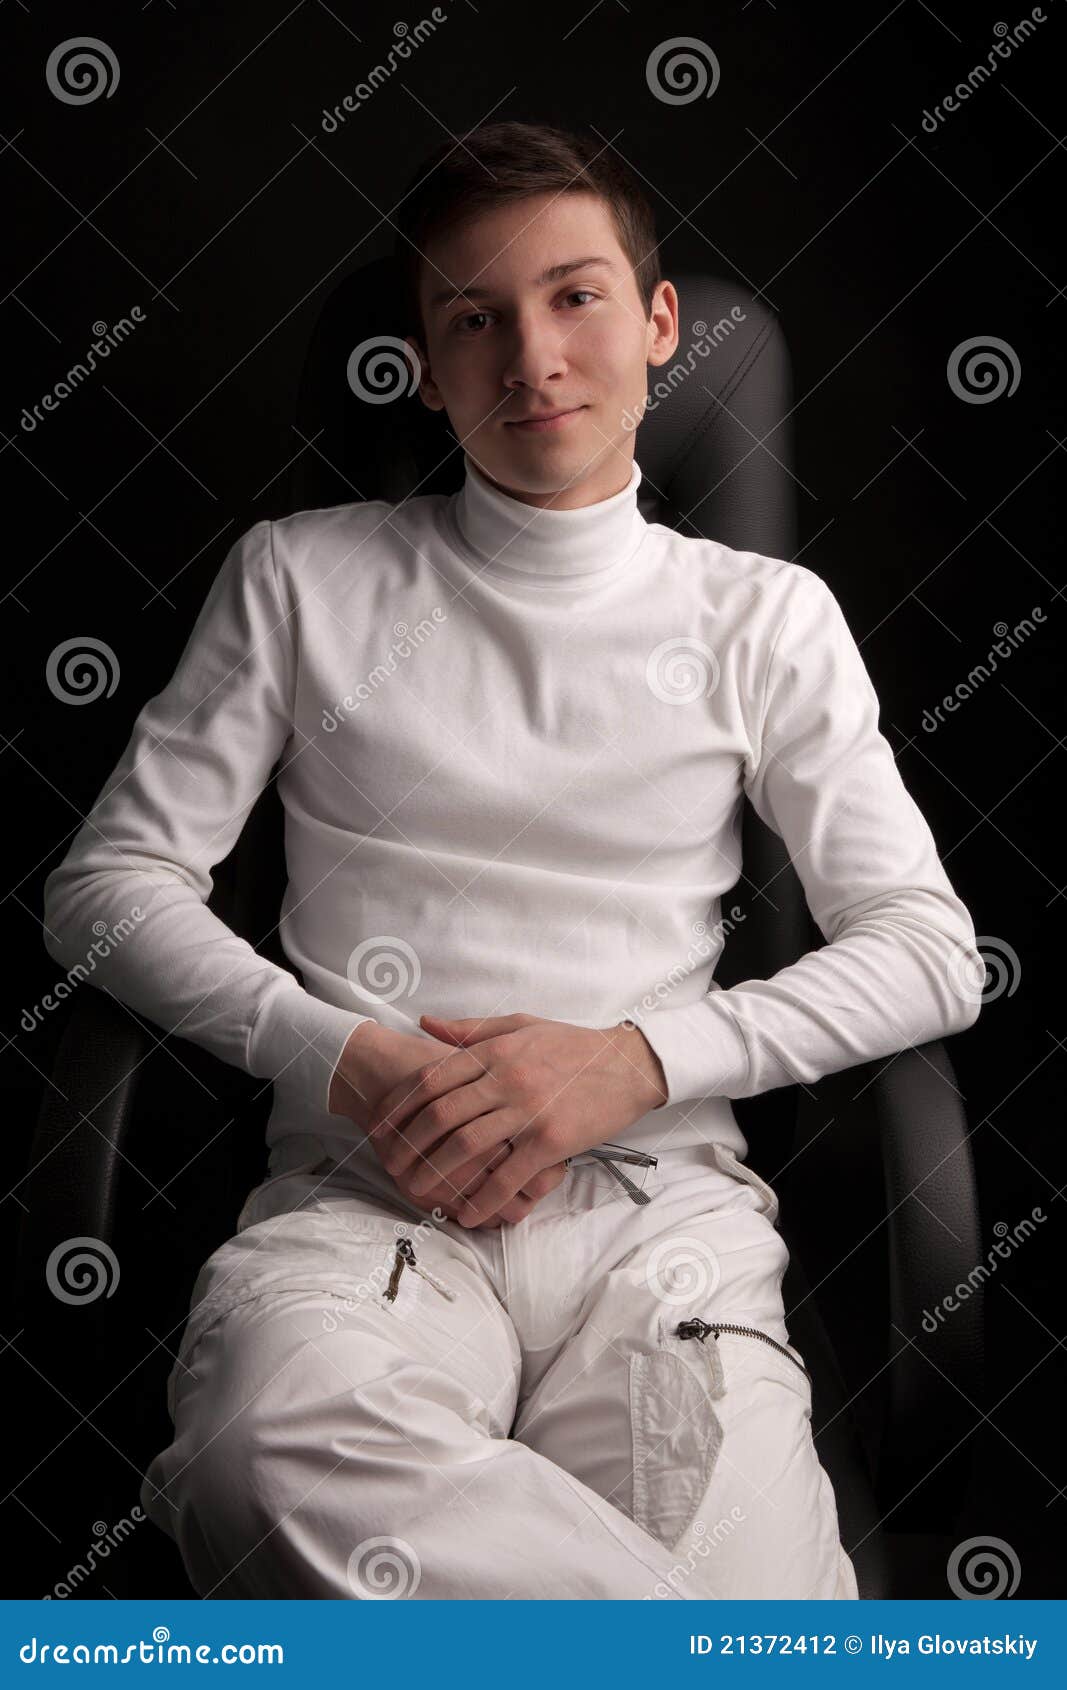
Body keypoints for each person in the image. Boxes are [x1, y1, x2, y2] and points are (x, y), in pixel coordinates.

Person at [42, 120, 983, 1600]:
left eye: (575, 296)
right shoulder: (301, 576)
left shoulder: (764, 617)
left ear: (661, 323)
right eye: (472, 318)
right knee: (256, 1464)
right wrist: (347, 1054)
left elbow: (930, 951)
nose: (530, 355)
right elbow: (103, 893)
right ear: (421, 362)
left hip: (651, 1220)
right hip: (367, 1213)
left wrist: (632, 1061)